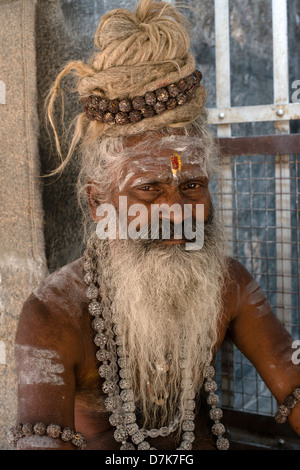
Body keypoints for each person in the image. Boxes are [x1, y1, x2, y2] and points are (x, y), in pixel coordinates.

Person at [7, 0, 300, 451]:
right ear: (97, 200)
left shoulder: (229, 284)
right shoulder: (53, 316)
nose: (176, 211)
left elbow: (292, 379)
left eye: (192, 186)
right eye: (148, 188)